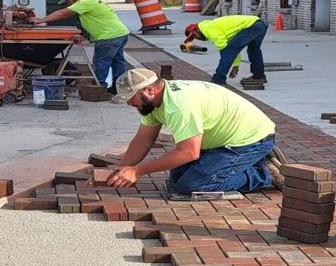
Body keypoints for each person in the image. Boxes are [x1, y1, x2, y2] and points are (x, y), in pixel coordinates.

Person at [107, 69, 284, 195]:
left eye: (130, 99)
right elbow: (143, 141)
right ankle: (252, 162)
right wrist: (123, 169)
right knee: (177, 178)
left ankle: (265, 173)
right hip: (221, 142)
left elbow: (189, 152)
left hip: (248, 141)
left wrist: (137, 171)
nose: (129, 104)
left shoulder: (179, 105)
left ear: (149, 90)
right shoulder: (153, 103)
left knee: (193, 185)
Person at [33, 0, 132, 100]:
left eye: (68, 1)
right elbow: (96, 20)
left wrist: (40, 20)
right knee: (117, 62)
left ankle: (99, 88)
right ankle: (119, 88)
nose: (68, 4)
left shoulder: (85, 2)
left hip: (109, 36)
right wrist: (86, 36)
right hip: (120, 33)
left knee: (101, 62)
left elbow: (62, 13)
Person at [183, 15, 267, 87]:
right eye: (194, 38)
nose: (198, 39)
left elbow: (227, 51)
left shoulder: (208, 29)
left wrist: (234, 64)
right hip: (259, 24)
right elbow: (233, 47)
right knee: (253, 50)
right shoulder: (210, 26)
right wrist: (236, 65)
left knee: (228, 51)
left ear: (197, 29)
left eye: (195, 36)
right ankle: (258, 76)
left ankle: (218, 79)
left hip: (252, 25)